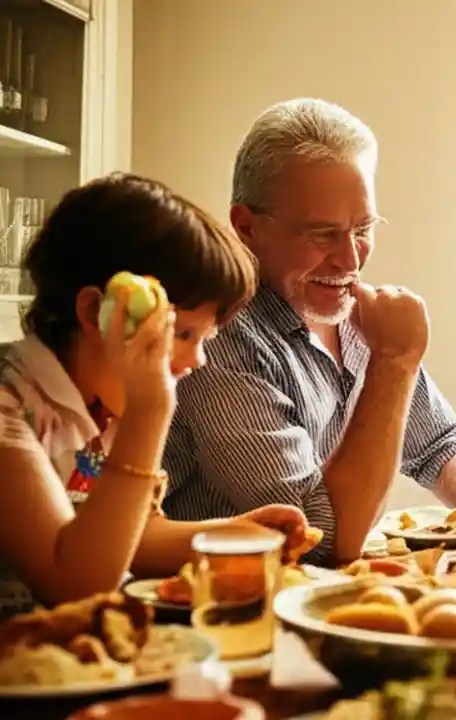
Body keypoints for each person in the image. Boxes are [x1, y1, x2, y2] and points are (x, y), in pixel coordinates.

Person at [163, 99, 456, 564]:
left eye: (363, 228)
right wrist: (394, 361)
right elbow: (323, 541)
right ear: (247, 227)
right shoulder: (220, 340)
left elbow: (438, 443)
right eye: (322, 235)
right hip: (213, 613)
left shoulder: (357, 317)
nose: (351, 260)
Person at [0, 173, 309, 620]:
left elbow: (128, 536)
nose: (196, 360)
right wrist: (150, 412)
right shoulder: (12, 410)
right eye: (182, 333)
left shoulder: (104, 408)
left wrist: (234, 534)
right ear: (95, 312)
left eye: (205, 338)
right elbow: (74, 584)